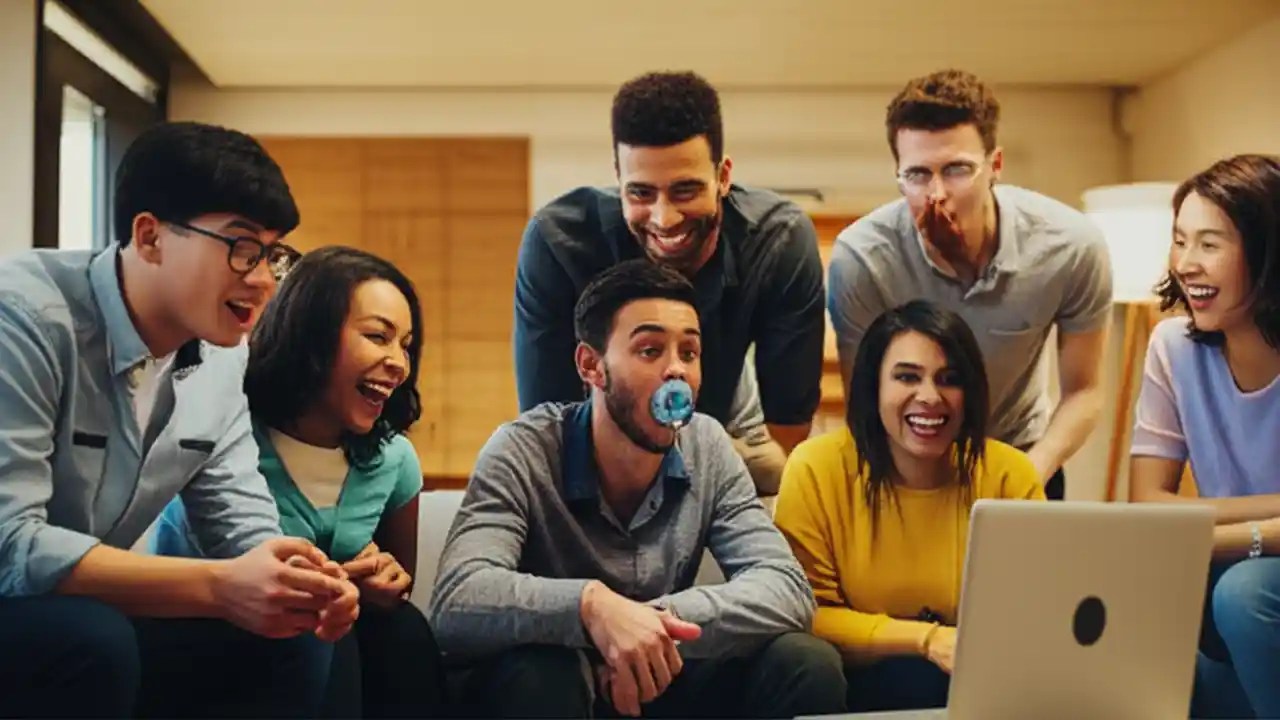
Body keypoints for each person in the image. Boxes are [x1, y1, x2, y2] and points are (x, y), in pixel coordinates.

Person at [0, 121, 359, 718]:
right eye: (242, 247)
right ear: (150, 237)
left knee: (300, 629)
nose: (264, 280)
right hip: (23, 603)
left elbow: (241, 522)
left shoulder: (223, 358)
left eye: (272, 255)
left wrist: (302, 578)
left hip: (90, 612)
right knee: (92, 639)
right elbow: (10, 544)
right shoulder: (24, 317)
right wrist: (218, 587)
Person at [431, 259, 846, 718]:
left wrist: (648, 625)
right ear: (592, 365)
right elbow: (458, 598)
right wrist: (591, 609)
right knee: (542, 673)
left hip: (658, 679)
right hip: (559, 686)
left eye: (689, 352)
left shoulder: (708, 445)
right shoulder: (523, 449)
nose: (677, 371)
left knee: (805, 663)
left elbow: (786, 589)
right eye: (650, 351)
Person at [152, 246, 448, 717]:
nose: (399, 363)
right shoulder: (225, 435)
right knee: (317, 627)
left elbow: (393, 586)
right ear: (310, 337)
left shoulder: (393, 459)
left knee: (400, 629)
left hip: (329, 638)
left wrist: (383, 583)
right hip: (207, 633)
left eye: (406, 345)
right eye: (378, 337)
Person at [513, 69, 825, 497]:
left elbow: (786, 434)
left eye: (685, 191)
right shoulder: (558, 243)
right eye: (641, 193)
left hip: (718, 463)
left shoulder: (779, 242)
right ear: (618, 178)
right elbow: (547, 431)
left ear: (723, 177)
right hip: (591, 468)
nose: (664, 219)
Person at [827, 68, 1112, 500]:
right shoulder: (862, 258)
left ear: (995, 165)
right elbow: (864, 400)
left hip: (1021, 456)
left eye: (957, 169)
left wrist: (1026, 474)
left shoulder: (1070, 246)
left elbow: (1084, 392)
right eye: (917, 174)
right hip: (910, 469)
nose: (937, 193)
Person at [774, 299, 1044, 712]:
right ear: (874, 387)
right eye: (907, 377)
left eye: (949, 379)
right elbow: (806, 614)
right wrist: (926, 639)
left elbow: (1034, 611)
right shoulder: (816, 467)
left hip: (975, 683)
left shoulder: (1010, 473)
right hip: (852, 681)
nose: (930, 397)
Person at [1127, 154, 1280, 719]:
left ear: (1267, 252)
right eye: (1179, 241)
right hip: (1220, 562)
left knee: (1243, 592)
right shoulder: (1174, 348)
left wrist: (1208, 540)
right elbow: (1147, 503)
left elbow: (1168, 525)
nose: (1186, 264)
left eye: (1209, 244)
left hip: (1242, 575)